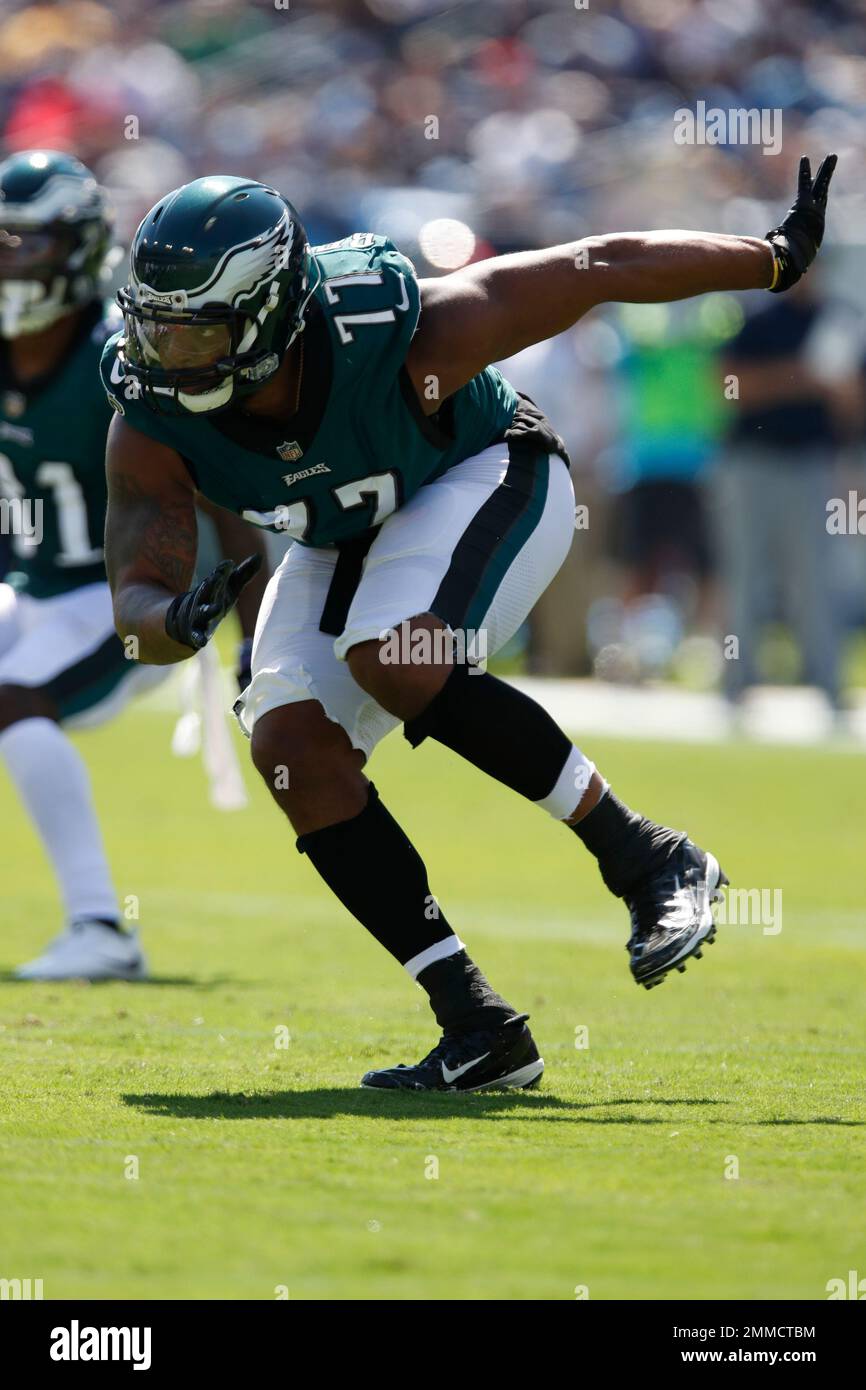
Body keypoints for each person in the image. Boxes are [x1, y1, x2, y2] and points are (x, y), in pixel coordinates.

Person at [102, 155, 835, 1089]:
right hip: (347, 531)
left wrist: (766, 259)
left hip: (484, 468)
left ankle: (651, 858)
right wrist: (176, 616)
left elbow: (592, 267)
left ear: (269, 315)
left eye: (196, 335)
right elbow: (134, 602)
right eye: (157, 331)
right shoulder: (150, 412)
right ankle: (479, 1026)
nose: (169, 358)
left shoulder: (396, 332)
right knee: (291, 748)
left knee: (393, 655)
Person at [0, 150, 267, 981]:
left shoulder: (124, 362)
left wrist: (260, 643)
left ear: (77, 249)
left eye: (27, 244)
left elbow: (225, 501)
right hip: (34, 589)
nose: (10, 261)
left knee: (14, 702)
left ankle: (101, 930)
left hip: (132, 600)